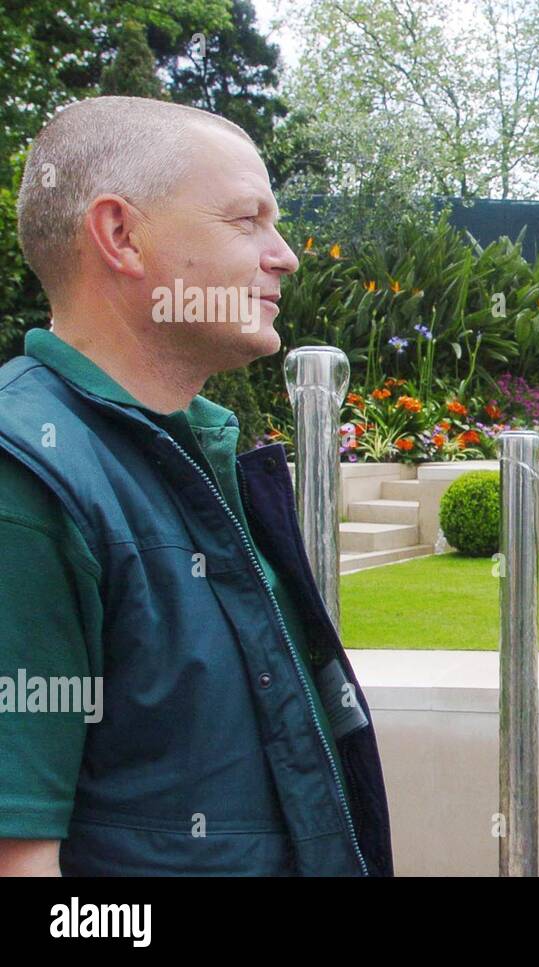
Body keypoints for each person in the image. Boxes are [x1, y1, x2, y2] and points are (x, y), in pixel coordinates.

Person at [0, 96, 393, 875]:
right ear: (121, 235)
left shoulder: (199, 456)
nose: (284, 255)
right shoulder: (27, 479)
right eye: (246, 220)